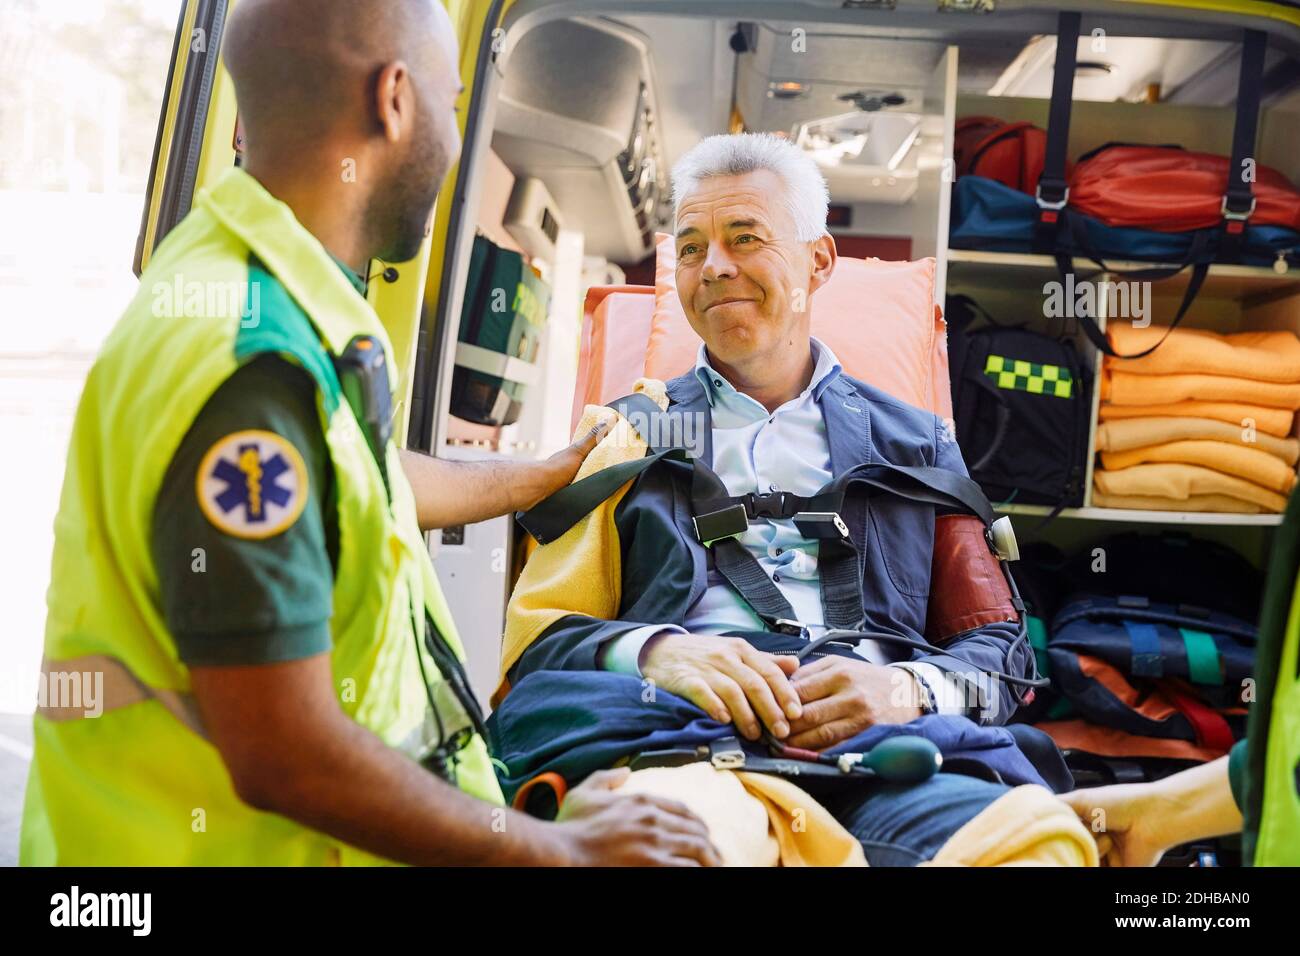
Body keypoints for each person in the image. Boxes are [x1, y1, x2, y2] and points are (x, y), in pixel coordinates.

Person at [21, 0, 718, 867]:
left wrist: (544, 473)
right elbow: (287, 756)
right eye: (454, 107)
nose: (457, 143)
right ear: (394, 101)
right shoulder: (249, 368)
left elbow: (364, 482)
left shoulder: (253, 286)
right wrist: (556, 849)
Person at [499, 132, 1044, 866]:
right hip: (680, 743)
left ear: (817, 262)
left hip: (891, 755)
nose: (714, 266)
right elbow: (538, 643)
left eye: (744, 238)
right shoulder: (629, 435)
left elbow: (1003, 659)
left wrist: (904, 688)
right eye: (690, 249)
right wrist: (659, 653)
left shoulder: (919, 444)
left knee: (1034, 851)